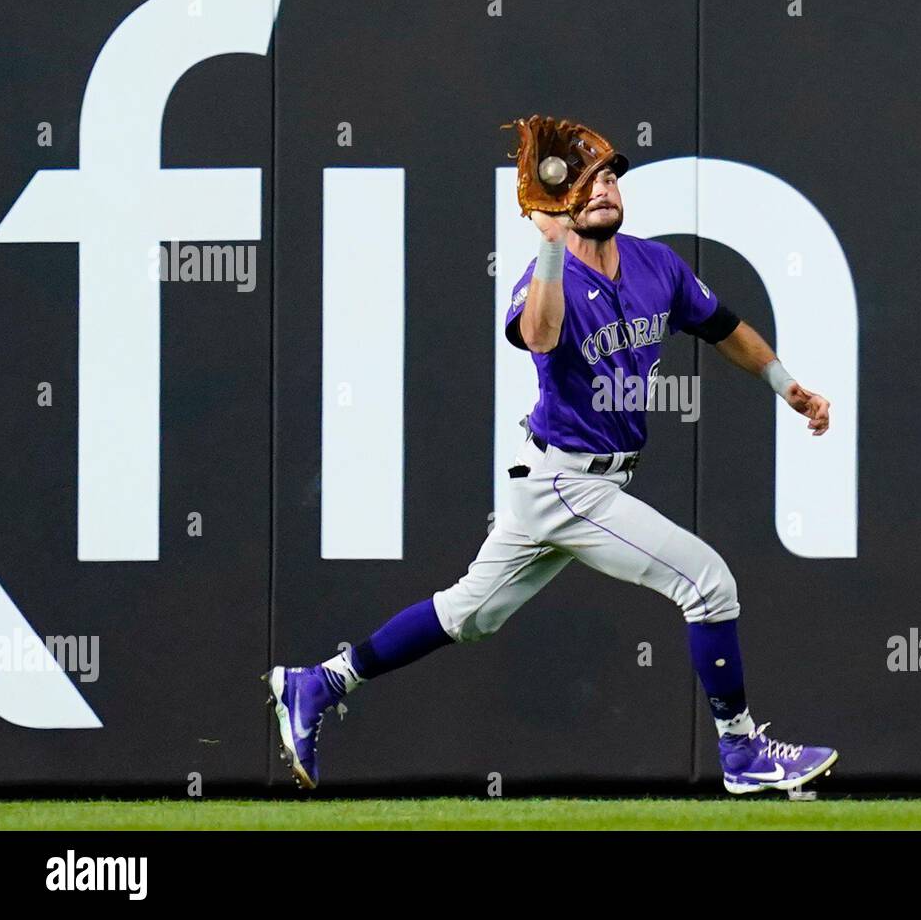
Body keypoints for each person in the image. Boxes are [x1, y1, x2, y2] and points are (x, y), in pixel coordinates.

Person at [266, 156, 838, 794]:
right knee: (707, 582)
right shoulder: (547, 274)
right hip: (565, 481)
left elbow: (724, 327)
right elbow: (539, 336)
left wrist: (787, 386)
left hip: (583, 480)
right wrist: (547, 245)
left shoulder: (658, 265)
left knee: (467, 615)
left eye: (611, 179)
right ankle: (741, 751)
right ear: (558, 203)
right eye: (586, 182)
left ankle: (319, 681)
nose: (603, 190)